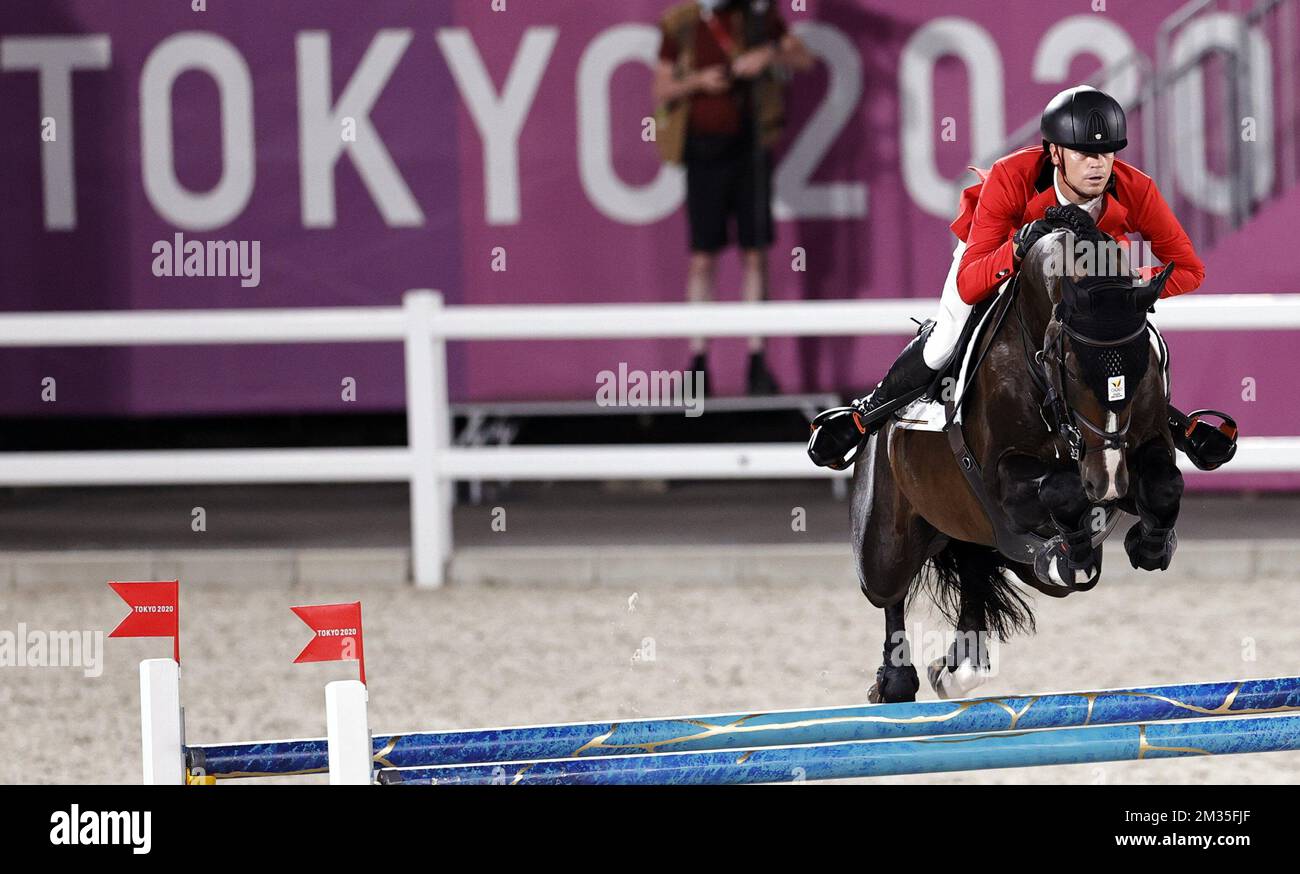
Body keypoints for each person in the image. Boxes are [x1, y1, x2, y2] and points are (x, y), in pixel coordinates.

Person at [809, 85, 1233, 470]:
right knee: (945, 340)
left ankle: (1173, 428)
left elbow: (1189, 270)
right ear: (1054, 153)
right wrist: (1017, 248)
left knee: (1120, 340)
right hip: (997, 257)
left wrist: (1123, 282)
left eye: (1106, 154)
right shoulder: (1012, 177)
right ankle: (867, 415)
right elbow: (970, 282)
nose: (1098, 165)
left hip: (1083, 282)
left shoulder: (1135, 188)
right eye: (1084, 153)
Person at [654, 0, 813, 394]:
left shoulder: (756, 17)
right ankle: (698, 362)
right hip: (703, 151)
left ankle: (758, 360)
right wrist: (700, 82)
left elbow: (803, 58)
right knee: (702, 258)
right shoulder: (682, 23)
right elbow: (661, 87)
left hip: (750, 150)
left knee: (755, 252)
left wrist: (767, 54)